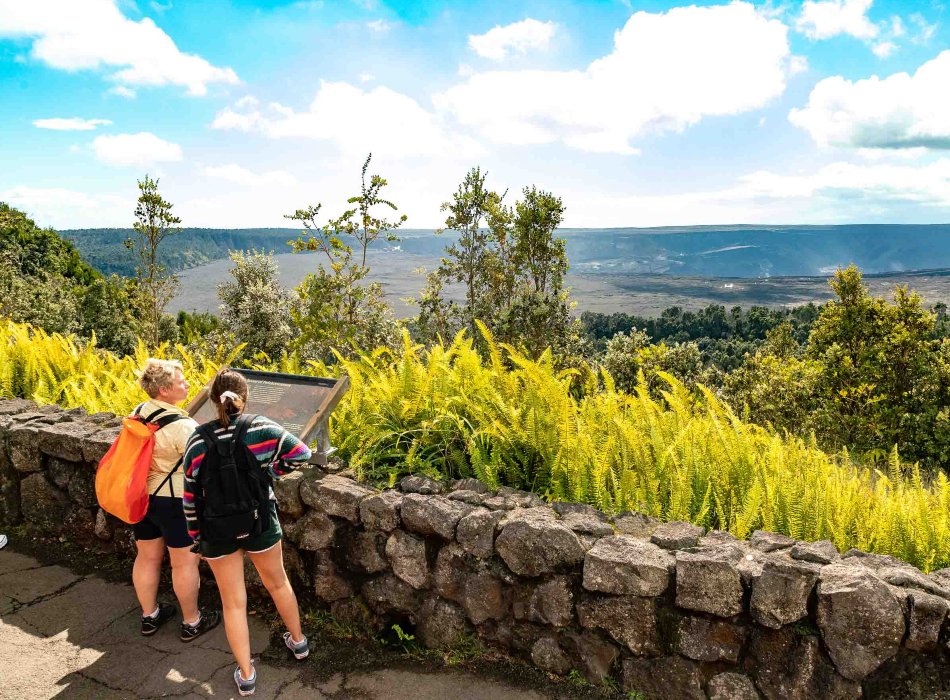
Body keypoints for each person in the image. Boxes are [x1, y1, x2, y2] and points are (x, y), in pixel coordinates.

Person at [183, 367, 312, 697]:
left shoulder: (197, 439)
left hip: (217, 530)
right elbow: (302, 453)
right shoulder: (261, 427)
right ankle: (298, 644)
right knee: (278, 583)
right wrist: (271, 472)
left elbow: (190, 497)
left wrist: (197, 537)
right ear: (246, 397)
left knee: (233, 603)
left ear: (213, 401)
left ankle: (246, 674)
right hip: (260, 521)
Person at [132, 359, 221, 640]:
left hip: (143, 496)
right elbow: (206, 466)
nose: (188, 385)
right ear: (164, 390)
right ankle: (192, 621)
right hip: (174, 501)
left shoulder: (139, 412)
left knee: (146, 557)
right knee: (184, 563)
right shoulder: (183, 426)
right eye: (181, 382)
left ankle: (150, 616)